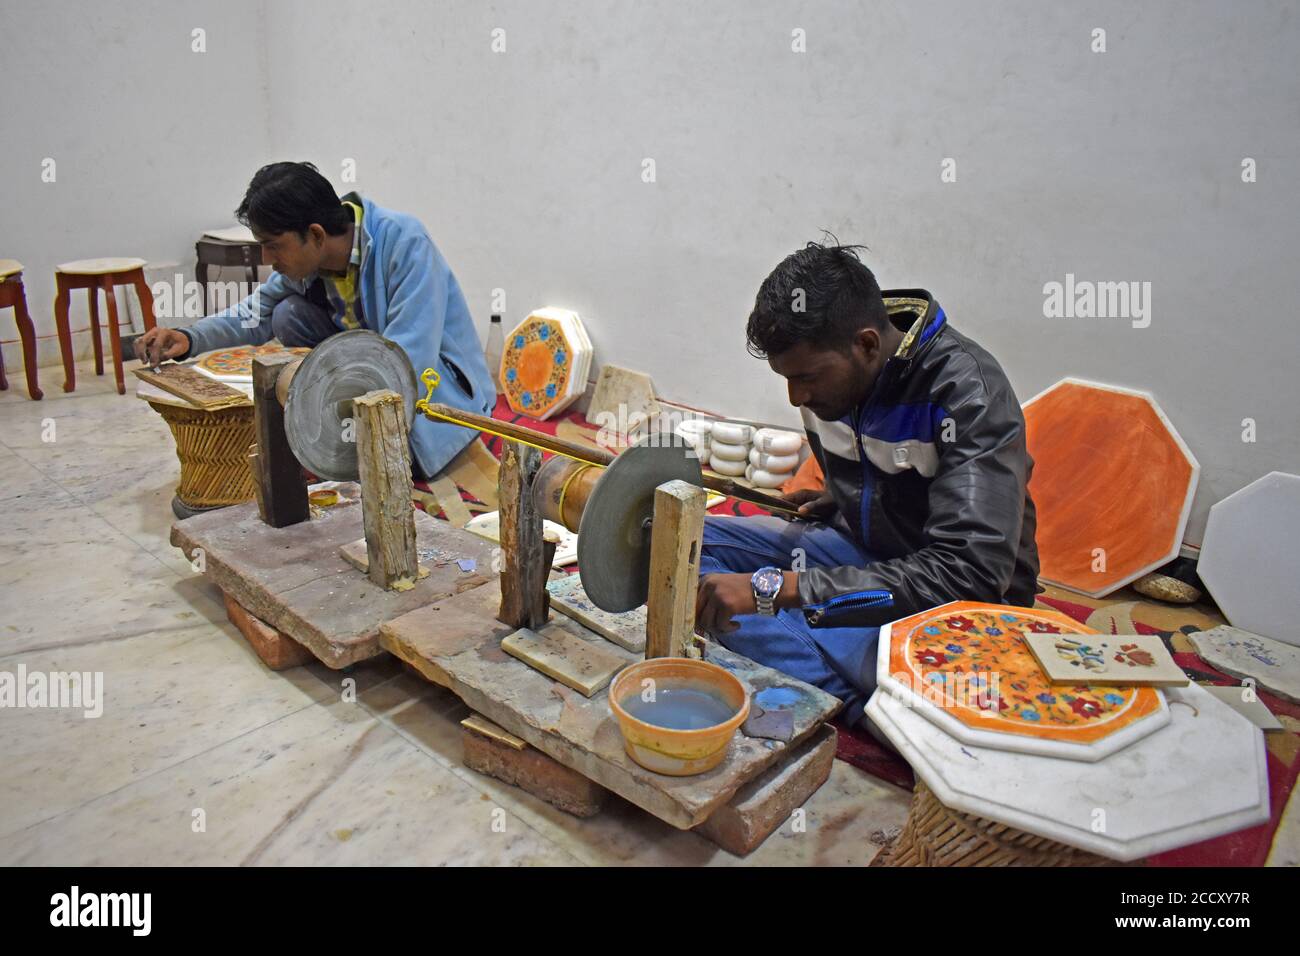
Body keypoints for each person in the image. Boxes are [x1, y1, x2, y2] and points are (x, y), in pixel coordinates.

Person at [694, 242, 1040, 726]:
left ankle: (859, 703)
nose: (797, 396)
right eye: (786, 379)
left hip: (958, 604)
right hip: (864, 554)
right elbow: (885, 460)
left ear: (868, 345)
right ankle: (857, 675)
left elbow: (970, 573)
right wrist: (844, 499)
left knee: (748, 600)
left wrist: (776, 590)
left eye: (807, 377)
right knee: (685, 540)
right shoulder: (834, 377)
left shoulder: (968, 394)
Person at [134, 161, 494, 478]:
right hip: (371, 364)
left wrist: (329, 427)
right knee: (287, 314)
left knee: (400, 447)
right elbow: (252, 315)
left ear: (316, 235)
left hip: (437, 382)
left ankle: (391, 433)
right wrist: (189, 338)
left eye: (273, 245)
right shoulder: (307, 261)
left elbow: (407, 360)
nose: (267, 258)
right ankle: (352, 416)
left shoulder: (404, 242)